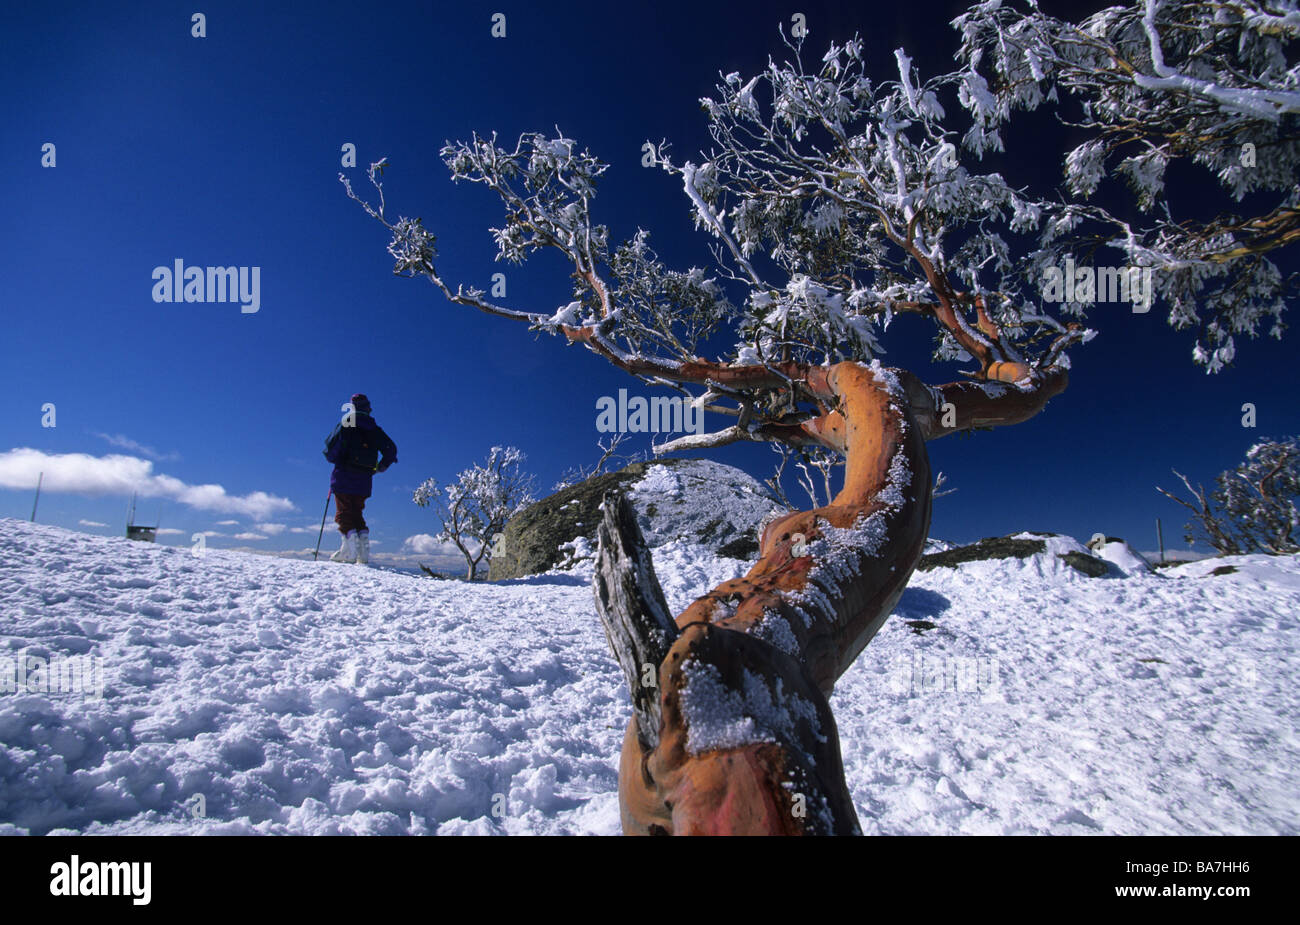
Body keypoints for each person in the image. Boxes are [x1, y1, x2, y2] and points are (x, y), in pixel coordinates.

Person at [323, 393, 397, 565]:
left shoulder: (346, 425)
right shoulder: (374, 429)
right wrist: (381, 467)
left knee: (343, 513)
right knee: (356, 512)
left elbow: (330, 450)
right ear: (368, 409)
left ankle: (348, 553)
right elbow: (391, 449)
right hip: (365, 479)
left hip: (343, 475)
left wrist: (337, 459)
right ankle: (362, 554)